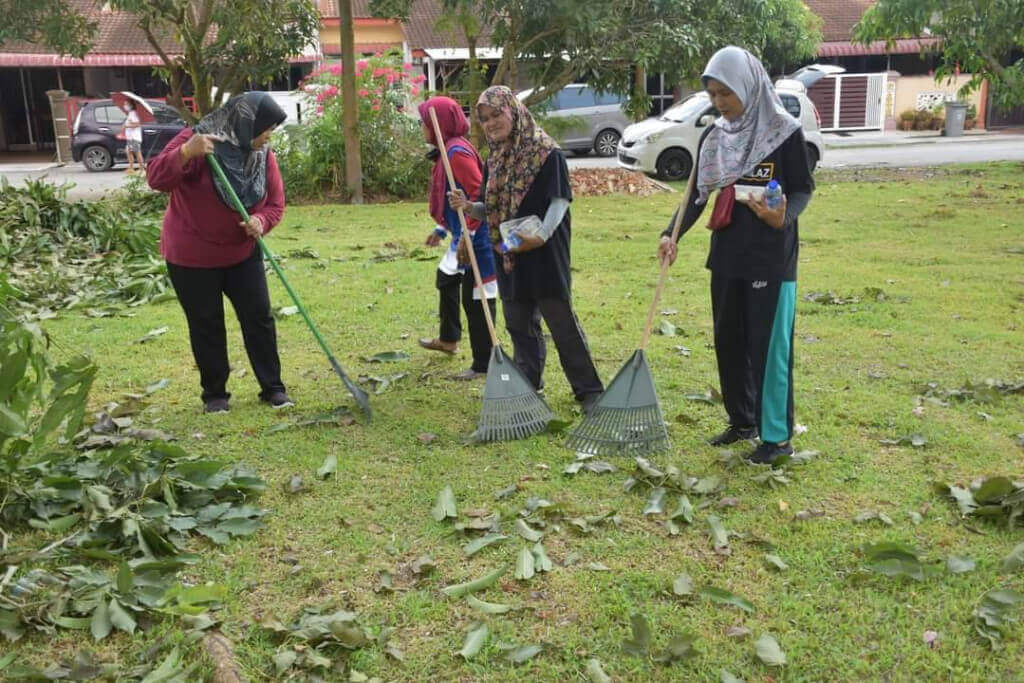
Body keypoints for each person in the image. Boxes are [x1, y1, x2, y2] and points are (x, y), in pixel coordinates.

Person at [657, 46, 814, 464]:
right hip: (727, 256)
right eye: (712, 94)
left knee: (768, 347)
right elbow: (696, 195)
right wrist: (670, 234)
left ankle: (776, 438)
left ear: (748, 86)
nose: (719, 103)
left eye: (726, 93)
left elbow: (802, 188)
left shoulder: (783, 131)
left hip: (771, 258)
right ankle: (741, 419)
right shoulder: (715, 137)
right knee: (730, 340)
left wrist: (784, 216)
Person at [450, 86, 604, 412]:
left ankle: (589, 391)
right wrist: (467, 206)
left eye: (497, 114)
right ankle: (529, 384)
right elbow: (490, 209)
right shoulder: (494, 158)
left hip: (544, 253)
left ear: (514, 110)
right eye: (485, 119)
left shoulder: (547, 153)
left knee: (560, 320)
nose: (491, 123)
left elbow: (560, 200)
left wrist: (541, 236)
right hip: (507, 251)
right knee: (518, 322)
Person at [147, 92, 293, 414]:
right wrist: (186, 153)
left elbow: (275, 204)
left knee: (259, 319)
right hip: (192, 257)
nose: (269, 135)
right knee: (206, 324)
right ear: (245, 122)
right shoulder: (198, 140)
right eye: (265, 128)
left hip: (242, 253)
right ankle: (215, 394)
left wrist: (260, 220)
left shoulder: (262, 154)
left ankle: (273, 388)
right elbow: (156, 178)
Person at [416, 96, 498, 381]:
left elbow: (478, 195)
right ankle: (451, 339)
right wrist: (442, 230)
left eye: (425, 123)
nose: (422, 128)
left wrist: (468, 235)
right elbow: (451, 198)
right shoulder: (446, 150)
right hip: (463, 235)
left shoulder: (457, 154)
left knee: (478, 299)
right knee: (450, 281)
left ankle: (484, 363)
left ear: (439, 124)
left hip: (479, 238)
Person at [122, 100, 145, 174]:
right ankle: (131, 168)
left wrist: (126, 126)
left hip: (134, 137)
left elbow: (138, 124)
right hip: (130, 137)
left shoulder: (133, 113)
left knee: (137, 152)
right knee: (129, 151)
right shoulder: (130, 114)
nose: (124, 106)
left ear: (131, 105)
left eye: (126, 104)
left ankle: (142, 168)